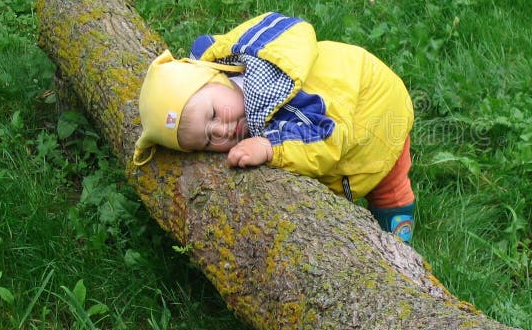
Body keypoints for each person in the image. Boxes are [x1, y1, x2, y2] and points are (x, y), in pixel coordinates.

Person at [133, 12, 416, 242]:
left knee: (389, 188)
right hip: (355, 99)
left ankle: (400, 248)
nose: (221, 131)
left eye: (214, 114)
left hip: (377, 115)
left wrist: (270, 147)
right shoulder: (242, 88)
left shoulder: (276, 90)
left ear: (216, 77)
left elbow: (326, 136)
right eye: (208, 140)